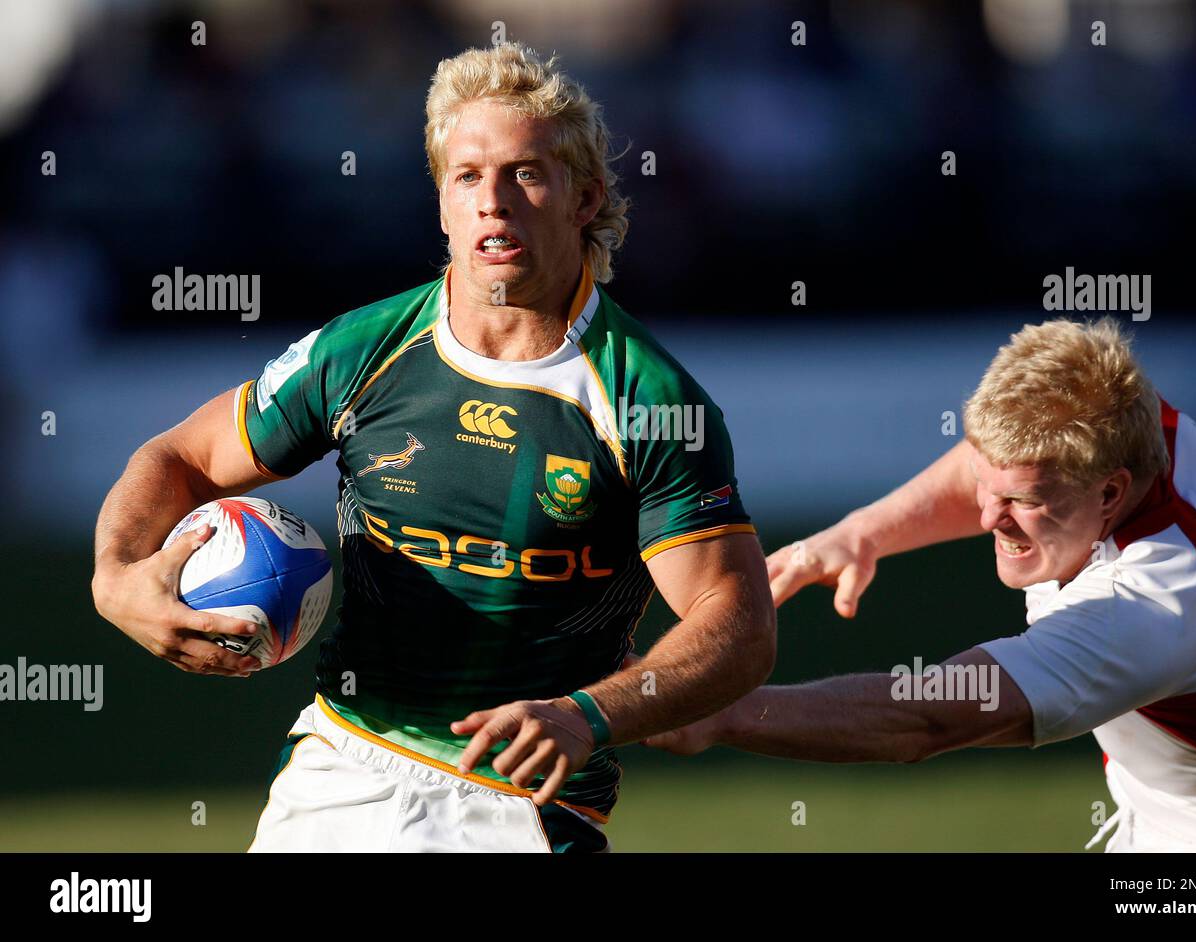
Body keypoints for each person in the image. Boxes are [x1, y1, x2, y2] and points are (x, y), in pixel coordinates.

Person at [91, 43, 775, 853]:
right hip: (340, 770)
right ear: (443, 204)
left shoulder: (648, 400)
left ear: (584, 197)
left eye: (525, 173)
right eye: (466, 176)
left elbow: (737, 624)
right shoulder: (365, 351)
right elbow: (183, 459)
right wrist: (116, 579)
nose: (493, 201)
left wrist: (589, 713)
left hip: (522, 806)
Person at [650, 318, 1196, 852]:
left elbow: (926, 717)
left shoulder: (1149, 608)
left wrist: (724, 713)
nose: (989, 517)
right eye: (990, 488)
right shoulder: (1132, 424)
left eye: (1021, 501)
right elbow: (999, 463)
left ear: (1110, 492)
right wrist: (863, 531)